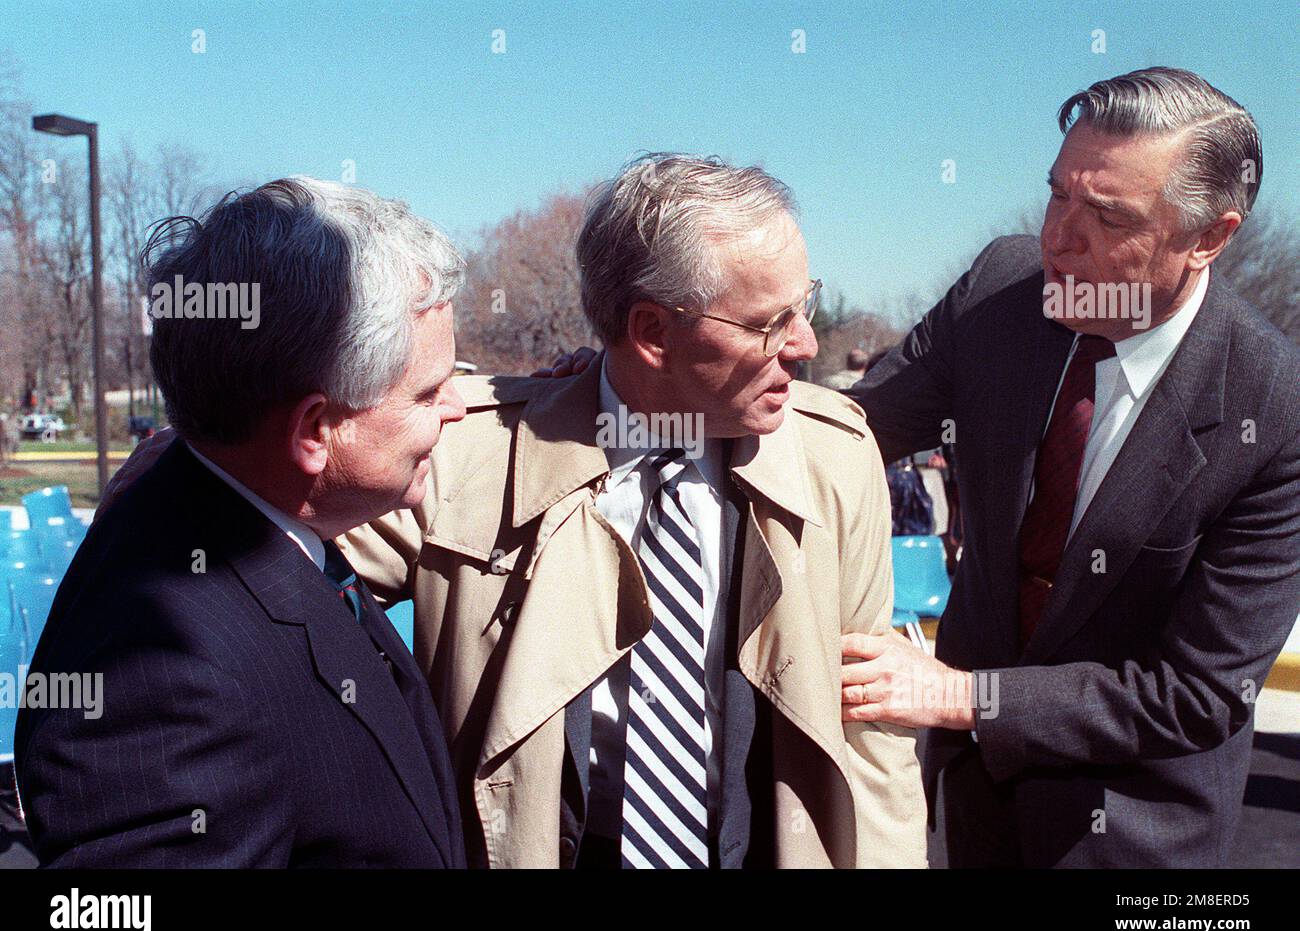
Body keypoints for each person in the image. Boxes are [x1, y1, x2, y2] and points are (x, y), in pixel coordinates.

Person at [341, 153, 930, 868]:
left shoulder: (835, 458)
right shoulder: (467, 456)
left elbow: (870, 735)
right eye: (769, 324)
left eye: (803, 305)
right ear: (653, 333)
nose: (804, 345)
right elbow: (272, 591)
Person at [840, 67, 1300, 866]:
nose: (1057, 236)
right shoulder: (1001, 289)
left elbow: (1198, 694)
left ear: (1210, 238)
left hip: (1139, 837)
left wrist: (960, 695)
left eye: (1107, 216)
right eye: (1057, 194)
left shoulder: (1276, 409)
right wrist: (632, 388)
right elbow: (846, 433)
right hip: (977, 812)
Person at [15, 177, 468, 867]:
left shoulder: (222, 487)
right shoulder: (166, 683)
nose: (458, 408)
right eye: (429, 392)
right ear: (315, 430)